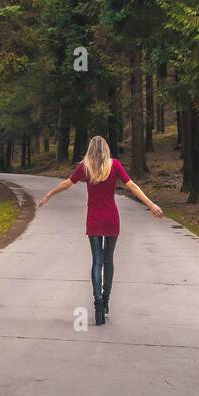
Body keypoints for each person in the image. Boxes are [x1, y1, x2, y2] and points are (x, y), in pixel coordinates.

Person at [37, 134, 163, 325]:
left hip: (94, 220)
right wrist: (151, 204)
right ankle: (105, 300)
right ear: (106, 149)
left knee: (97, 262)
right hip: (111, 219)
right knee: (108, 260)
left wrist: (48, 195)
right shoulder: (115, 165)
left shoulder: (86, 167)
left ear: (90, 149)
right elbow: (132, 186)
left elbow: (67, 184)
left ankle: (97, 303)